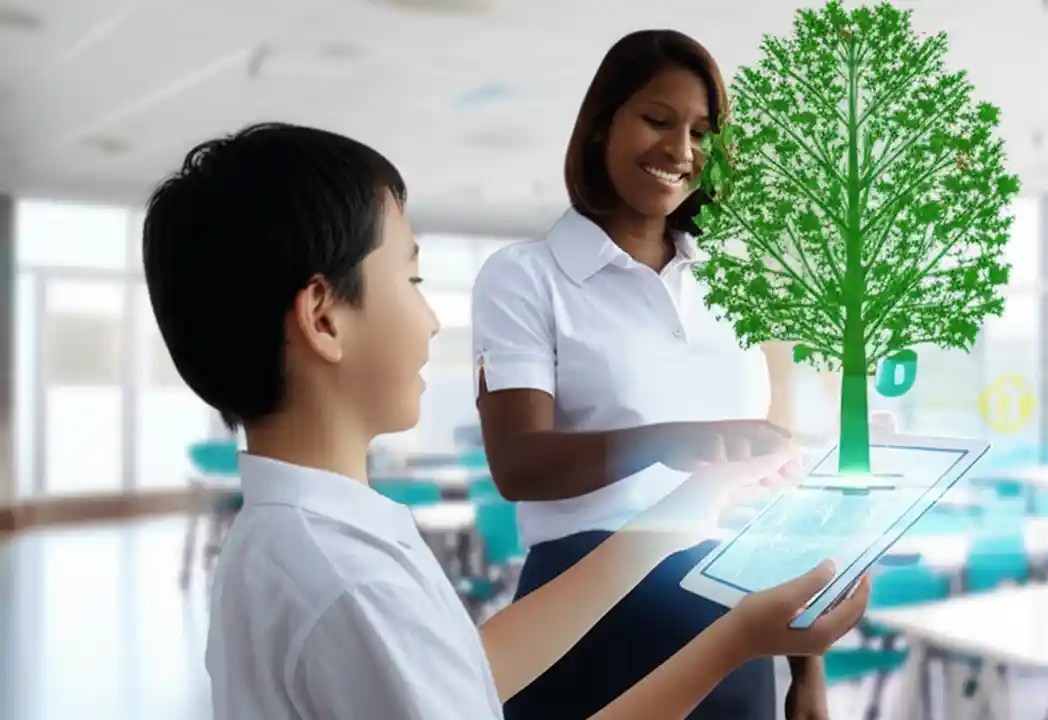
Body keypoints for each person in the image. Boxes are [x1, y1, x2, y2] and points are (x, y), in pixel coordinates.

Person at [142, 122, 870, 719]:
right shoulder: (349, 583)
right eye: (412, 277)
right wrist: (735, 640)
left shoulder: (287, 541)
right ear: (324, 317)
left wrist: (696, 501)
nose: (430, 320)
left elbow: (469, 670)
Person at [472, 29, 829, 720]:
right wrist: (672, 441)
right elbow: (518, 464)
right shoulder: (526, 277)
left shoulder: (743, 285)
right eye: (658, 121)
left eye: (702, 132)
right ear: (603, 125)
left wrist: (806, 667)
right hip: (582, 619)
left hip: (737, 616)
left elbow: (777, 480)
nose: (681, 150)